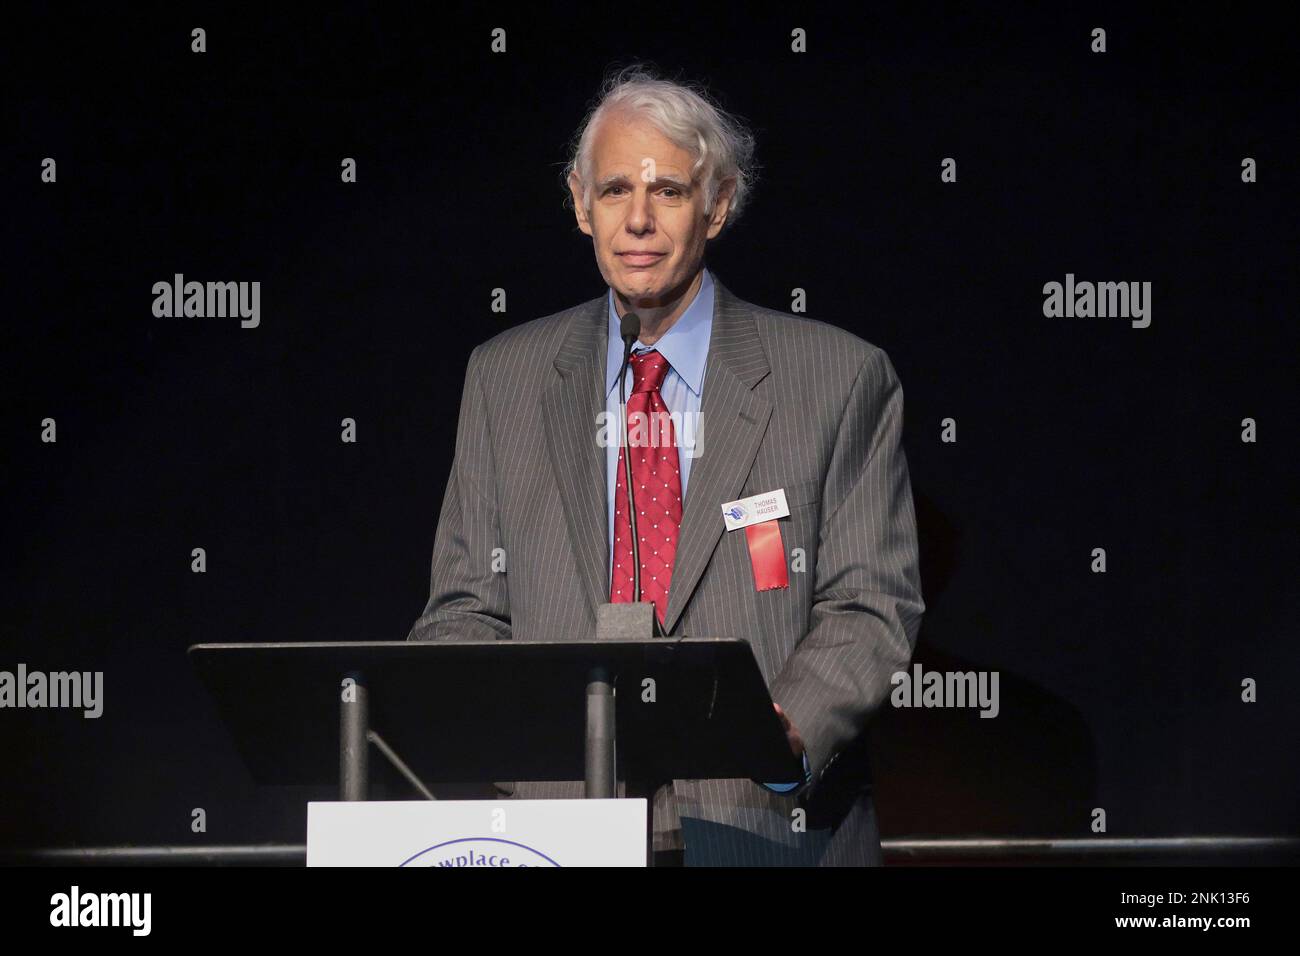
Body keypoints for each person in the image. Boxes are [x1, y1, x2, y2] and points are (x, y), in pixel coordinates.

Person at [408, 65, 924, 865]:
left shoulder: (837, 379)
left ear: (718, 206)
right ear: (580, 205)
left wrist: (780, 729)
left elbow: (869, 604)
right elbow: (466, 607)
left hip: (757, 825)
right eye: (615, 190)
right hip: (557, 829)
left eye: (671, 193)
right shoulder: (503, 377)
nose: (638, 221)